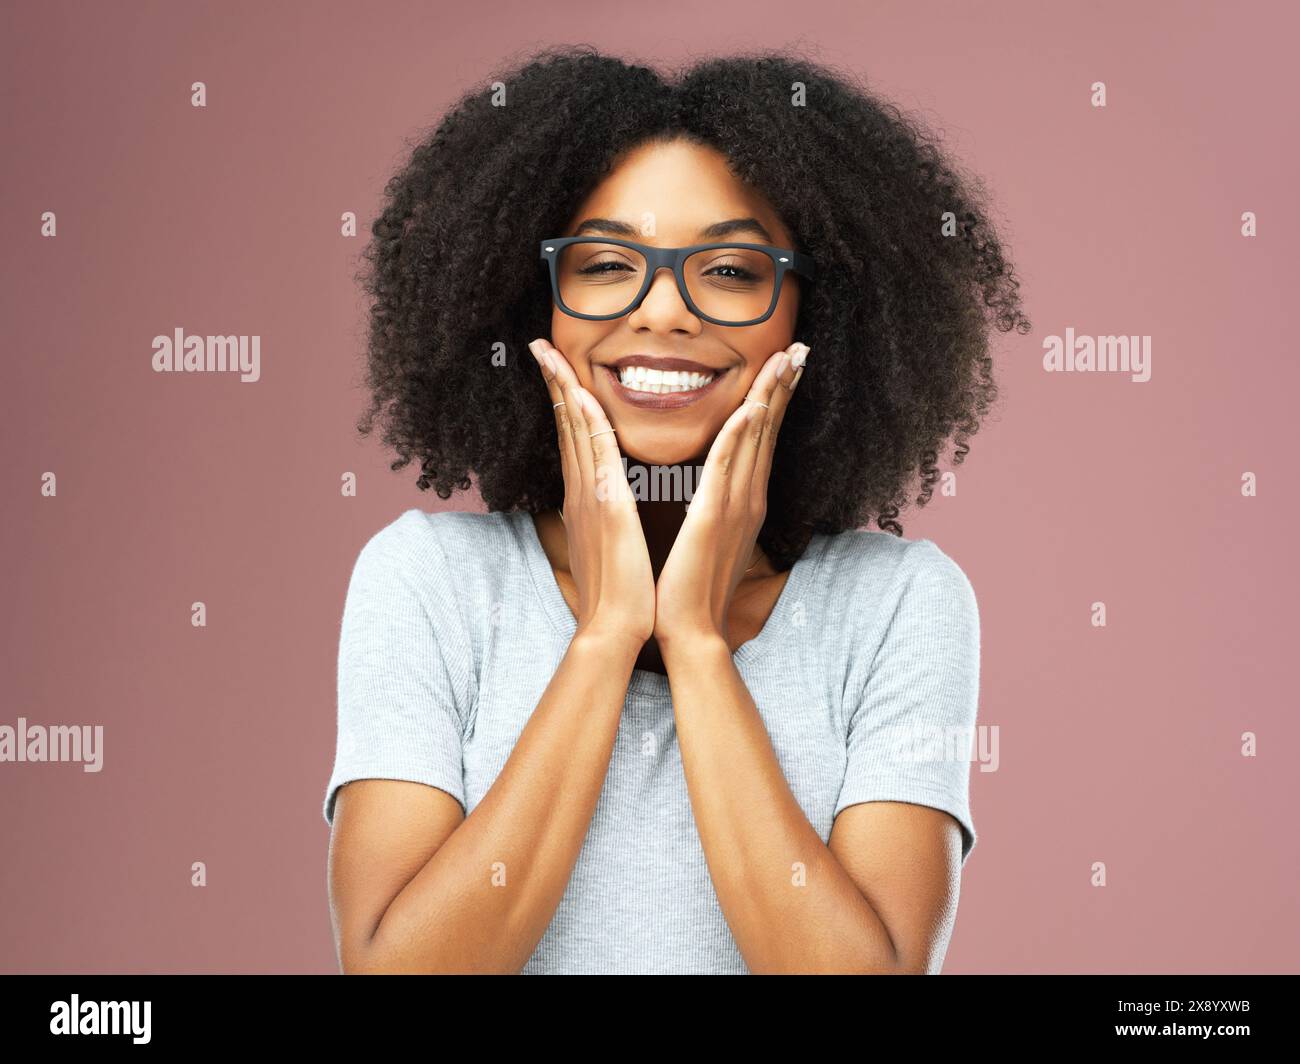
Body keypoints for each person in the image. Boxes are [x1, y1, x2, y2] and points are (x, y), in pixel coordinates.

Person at [323, 45, 1030, 974]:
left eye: (733, 271)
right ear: (533, 301)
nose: (663, 312)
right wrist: (609, 633)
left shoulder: (897, 605)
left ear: (815, 317)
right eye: (608, 263)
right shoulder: (429, 581)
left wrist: (695, 642)